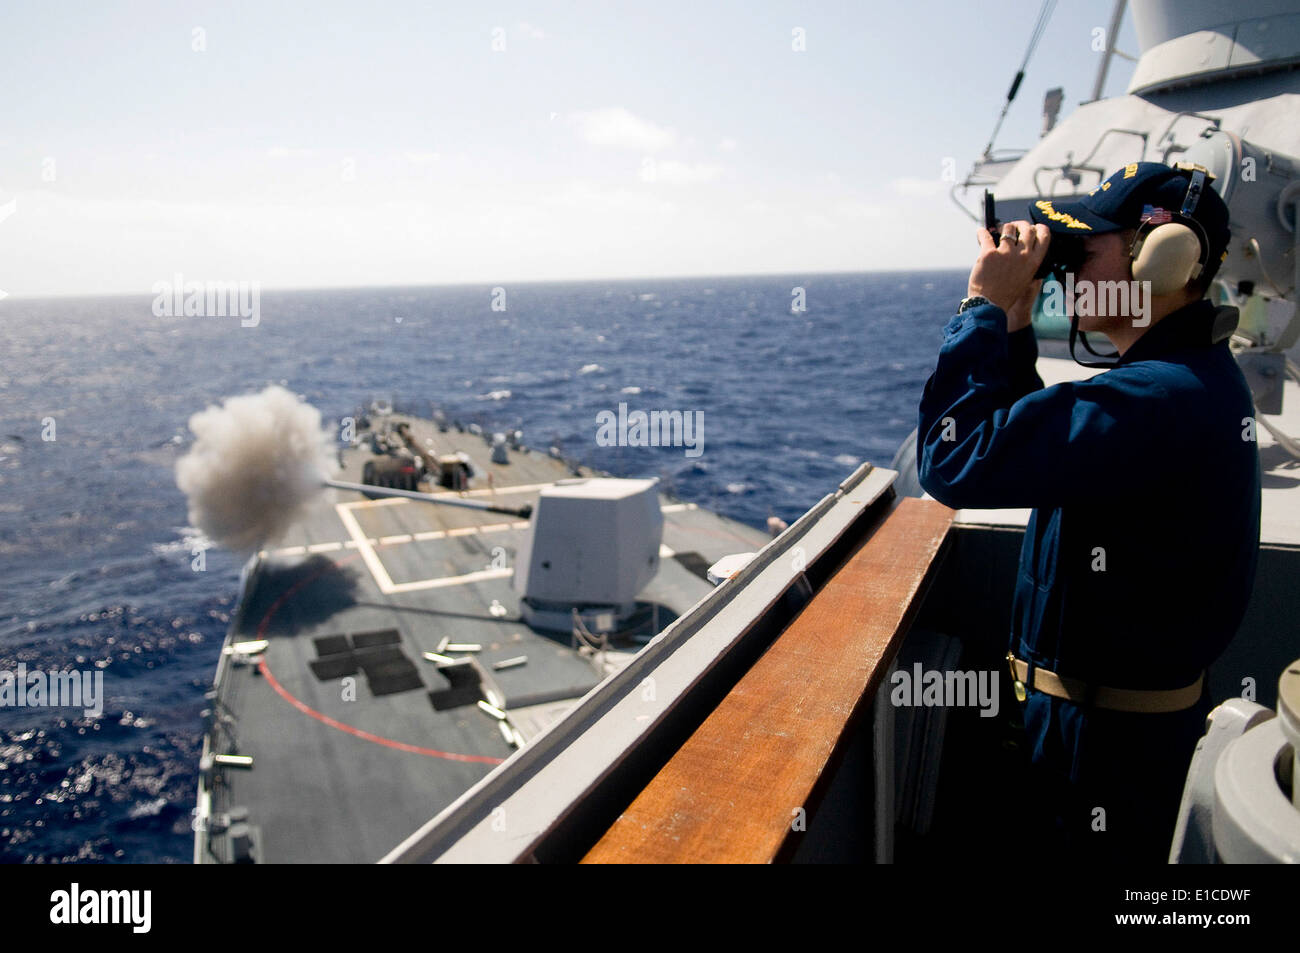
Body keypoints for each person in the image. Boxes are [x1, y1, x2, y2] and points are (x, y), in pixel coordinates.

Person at [916, 161, 1261, 863]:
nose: (1066, 270)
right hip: (1104, 735)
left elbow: (953, 461)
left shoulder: (1158, 399)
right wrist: (1015, 329)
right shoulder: (1184, 384)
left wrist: (980, 307)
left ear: (1161, 259)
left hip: (1102, 755)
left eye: (1085, 249)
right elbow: (1044, 451)